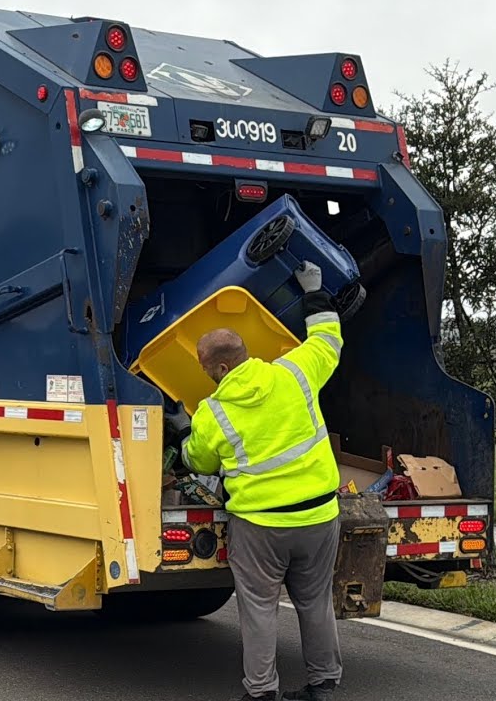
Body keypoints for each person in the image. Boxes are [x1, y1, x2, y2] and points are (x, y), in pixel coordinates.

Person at [178, 261, 346, 701]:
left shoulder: (213, 412)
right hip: (319, 515)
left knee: (259, 608)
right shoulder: (294, 373)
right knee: (314, 601)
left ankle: (261, 692)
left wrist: (182, 428)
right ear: (244, 352)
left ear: (216, 369)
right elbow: (328, 339)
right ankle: (324, 684)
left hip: (260, 526)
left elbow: (197, 459)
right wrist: (314, 290)